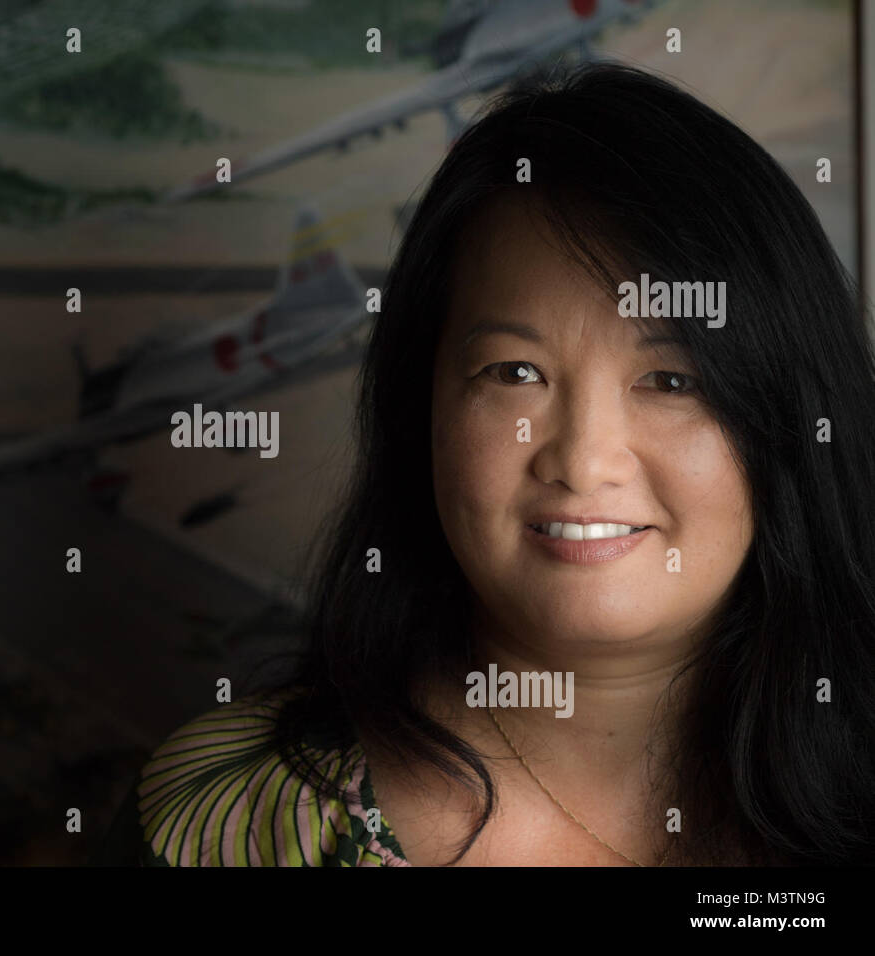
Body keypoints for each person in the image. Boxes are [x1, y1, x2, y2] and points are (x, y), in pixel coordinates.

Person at [120, 61, 875, 866]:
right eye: (515, 374)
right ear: (426, 412)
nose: (583, 462)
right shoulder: (235, 819)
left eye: (671, 379)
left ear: (790, 419)